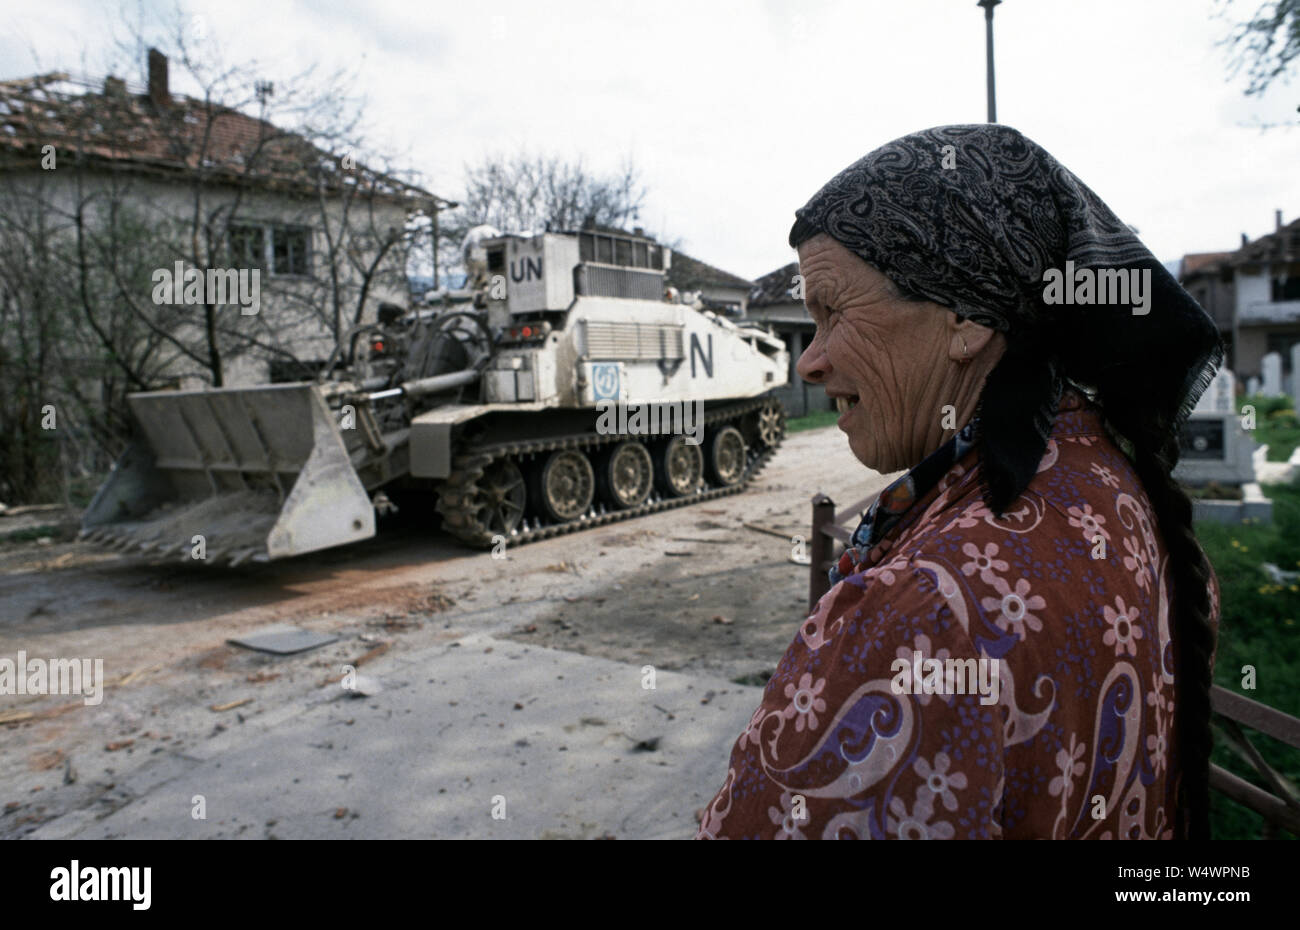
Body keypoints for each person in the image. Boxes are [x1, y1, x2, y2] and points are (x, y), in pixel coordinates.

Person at [696, 125, 1223, 840]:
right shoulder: (1117, 490)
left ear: (967, 317)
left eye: (832, 311)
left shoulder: (919, 619)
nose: (807, 362)